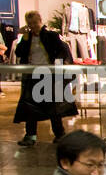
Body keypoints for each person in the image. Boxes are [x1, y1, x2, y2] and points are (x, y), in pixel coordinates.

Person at [13, 9, 73, 146]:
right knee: (30, 107)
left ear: (40, 21)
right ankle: (30, 135)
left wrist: (55, 67)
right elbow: (19, 53)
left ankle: (59, 134)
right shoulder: (27, 38)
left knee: (53, 107)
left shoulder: (50, 36)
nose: (33, 26)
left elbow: (62, 51)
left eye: (35, 22)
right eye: (30, 23)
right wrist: (25, 40)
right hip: (33, 75)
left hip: (48, 74)